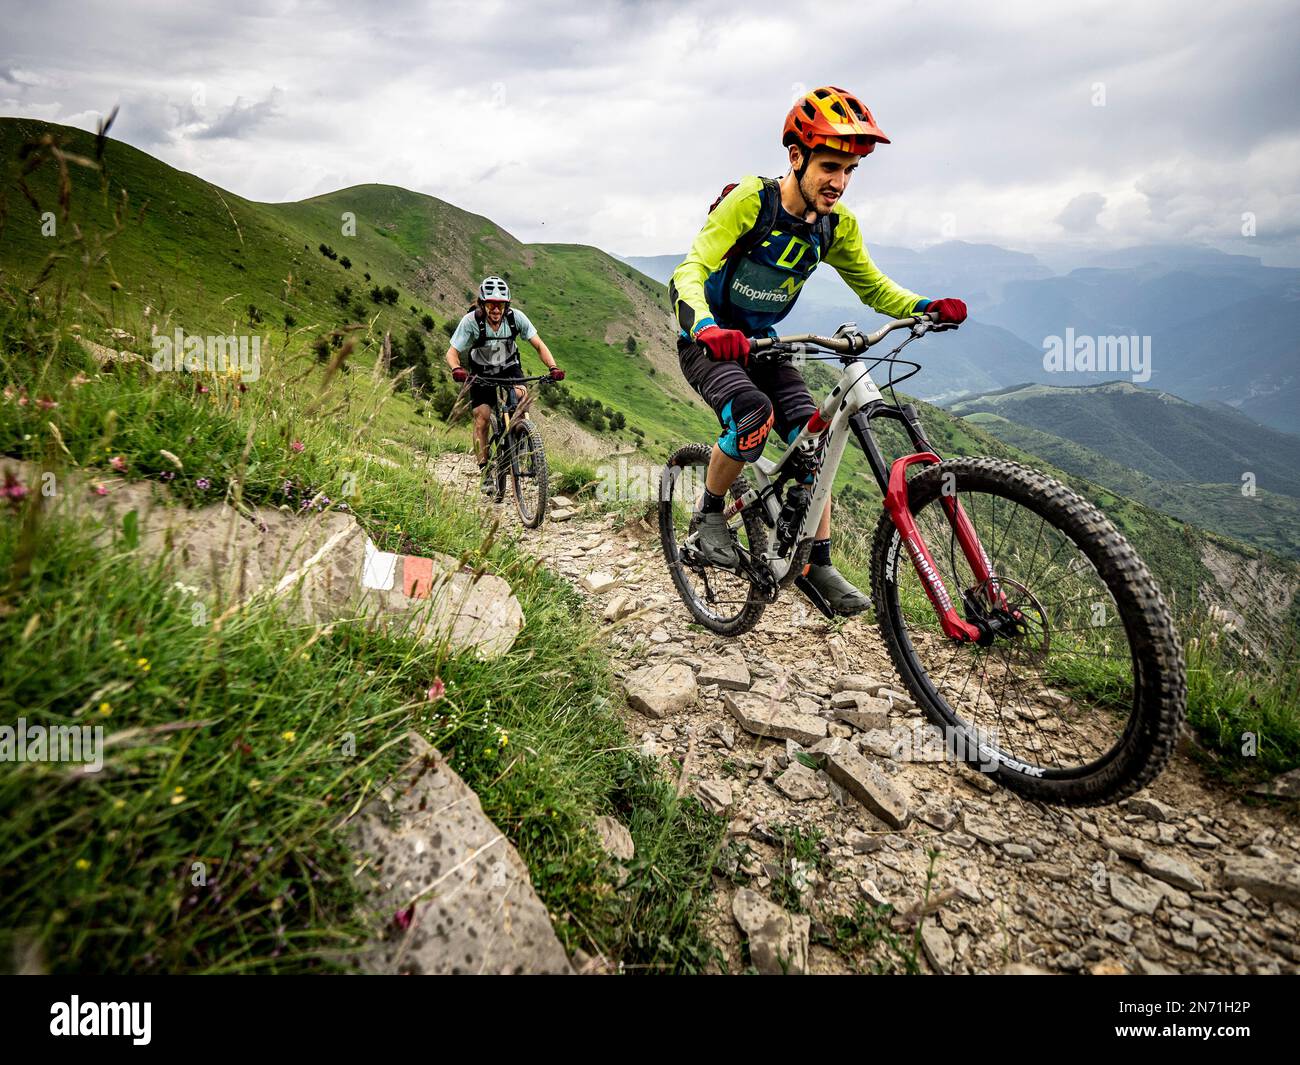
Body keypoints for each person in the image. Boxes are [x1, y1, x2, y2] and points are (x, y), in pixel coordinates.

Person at [670, 86, 968, 615]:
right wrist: (707, 325)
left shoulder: (836, 224)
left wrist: (924, 305)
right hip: (712, 343)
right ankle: (709, 516)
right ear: (796, 156)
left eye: (851, 170)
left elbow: (873, 287)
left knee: (817, 442)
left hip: (768, 347)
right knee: (751, 414)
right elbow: (689, 270)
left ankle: (815, 561)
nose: (840, 182)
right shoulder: (751, 201)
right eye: (831, 165)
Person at [445, 276, 563, 493]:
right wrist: (457, 369)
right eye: (490, 304)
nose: (496, 310)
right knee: (481, 418)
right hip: (481, 373)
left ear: (506, 305)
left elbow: (538, 345)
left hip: (509, 367)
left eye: (500, 305)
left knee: (521, 396)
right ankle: (485, 470)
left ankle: (523, 440)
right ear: (482, 304)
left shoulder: (516, 318)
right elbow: (452, 353)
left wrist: (553, 368)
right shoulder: (471, 322)